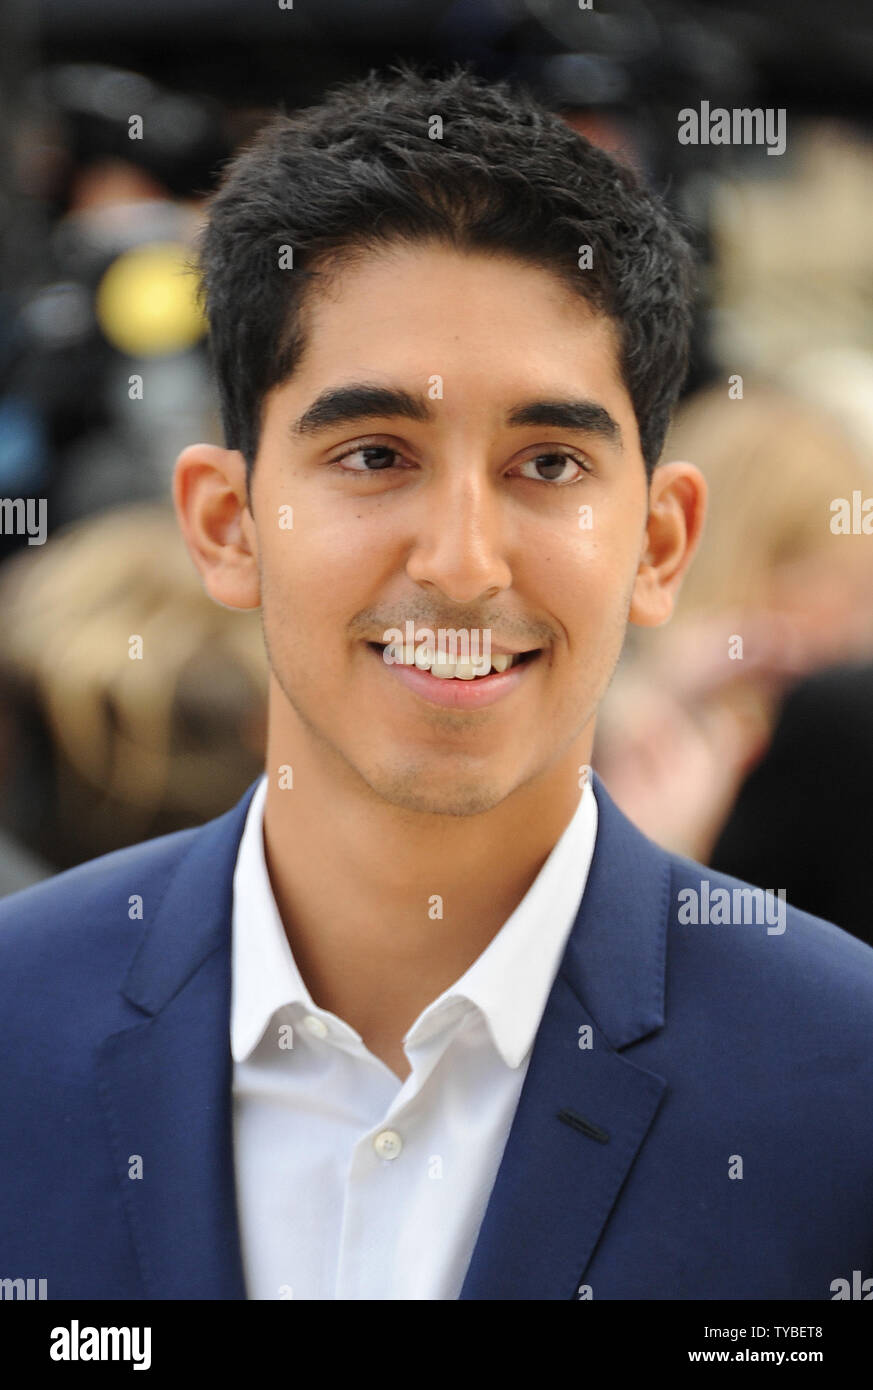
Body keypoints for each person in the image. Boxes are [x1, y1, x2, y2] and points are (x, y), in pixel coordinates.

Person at [1, 64, 871, 1302]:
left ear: (662, 542)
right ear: (226, 523)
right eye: (374, 454)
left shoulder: (846, 1089)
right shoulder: (14, 1030)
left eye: (549, 463)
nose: (462, 562)